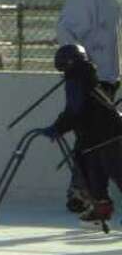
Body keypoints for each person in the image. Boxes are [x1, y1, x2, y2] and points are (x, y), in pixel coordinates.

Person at [55, 0, 122, 213]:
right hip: (88, 79)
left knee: (102, 139)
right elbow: (66, 31)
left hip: (106, 78)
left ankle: (93, 193)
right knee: (91, 137)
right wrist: (80, 66)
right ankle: (83, 191)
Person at [42, 44, 122, 224]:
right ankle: (102, 208)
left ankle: (102, 206)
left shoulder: (78, 79)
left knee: (116, 171)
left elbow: (75, 110)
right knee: (92, 173)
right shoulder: (82, 77)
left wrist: (58, 127)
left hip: (108, 133)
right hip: (93, 136)